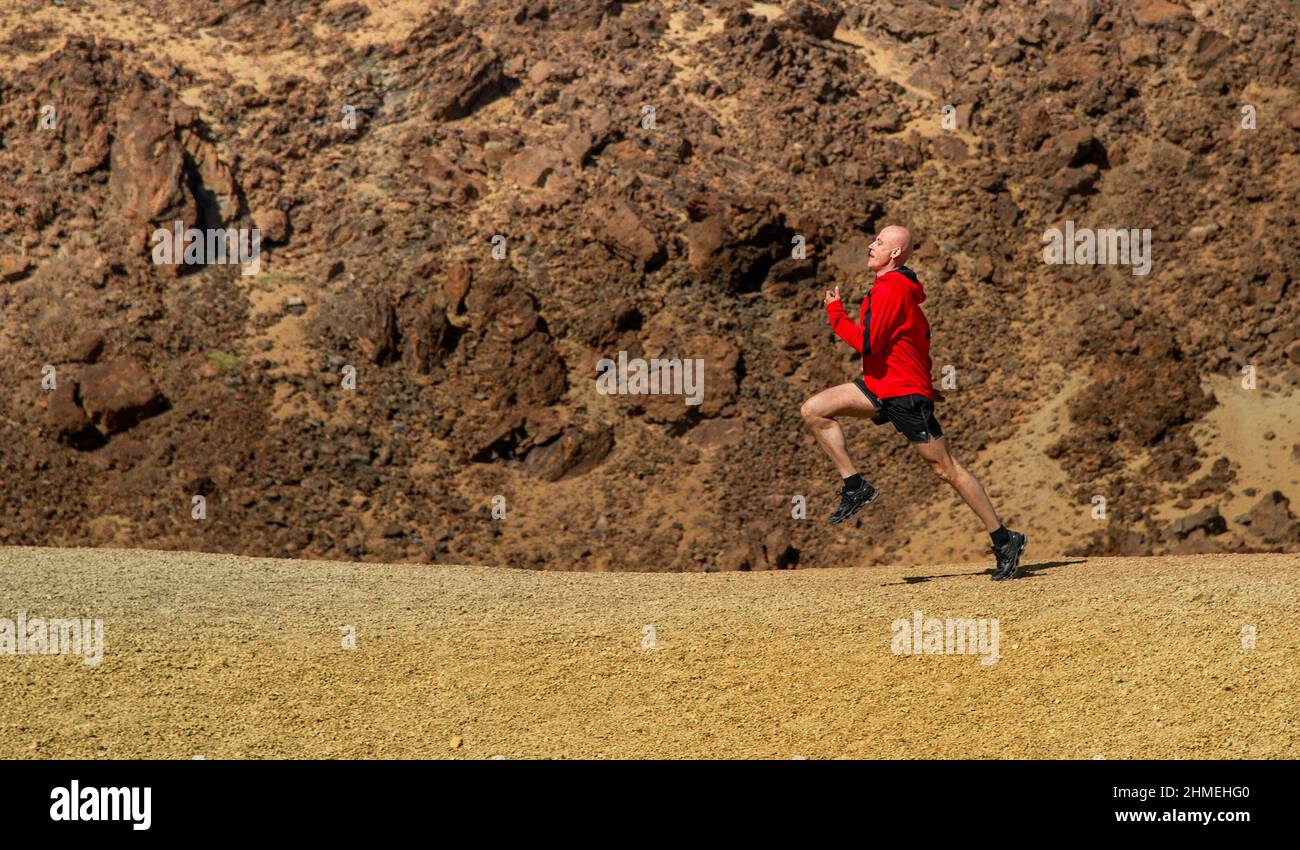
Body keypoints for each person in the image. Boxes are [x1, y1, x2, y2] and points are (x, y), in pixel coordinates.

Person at [800, 225, 1028, 580]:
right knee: (814, 410)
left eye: (878, 242)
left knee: (946, 469)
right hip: (879, 386)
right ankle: (855, 485)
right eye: (873, 239)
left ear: (894, 254)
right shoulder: (891, 289)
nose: (870, 245)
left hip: (903, 395)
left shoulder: (891, 290)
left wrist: (835, 314)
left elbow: (867, 345)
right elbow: (918, 338)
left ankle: (1004, 538)